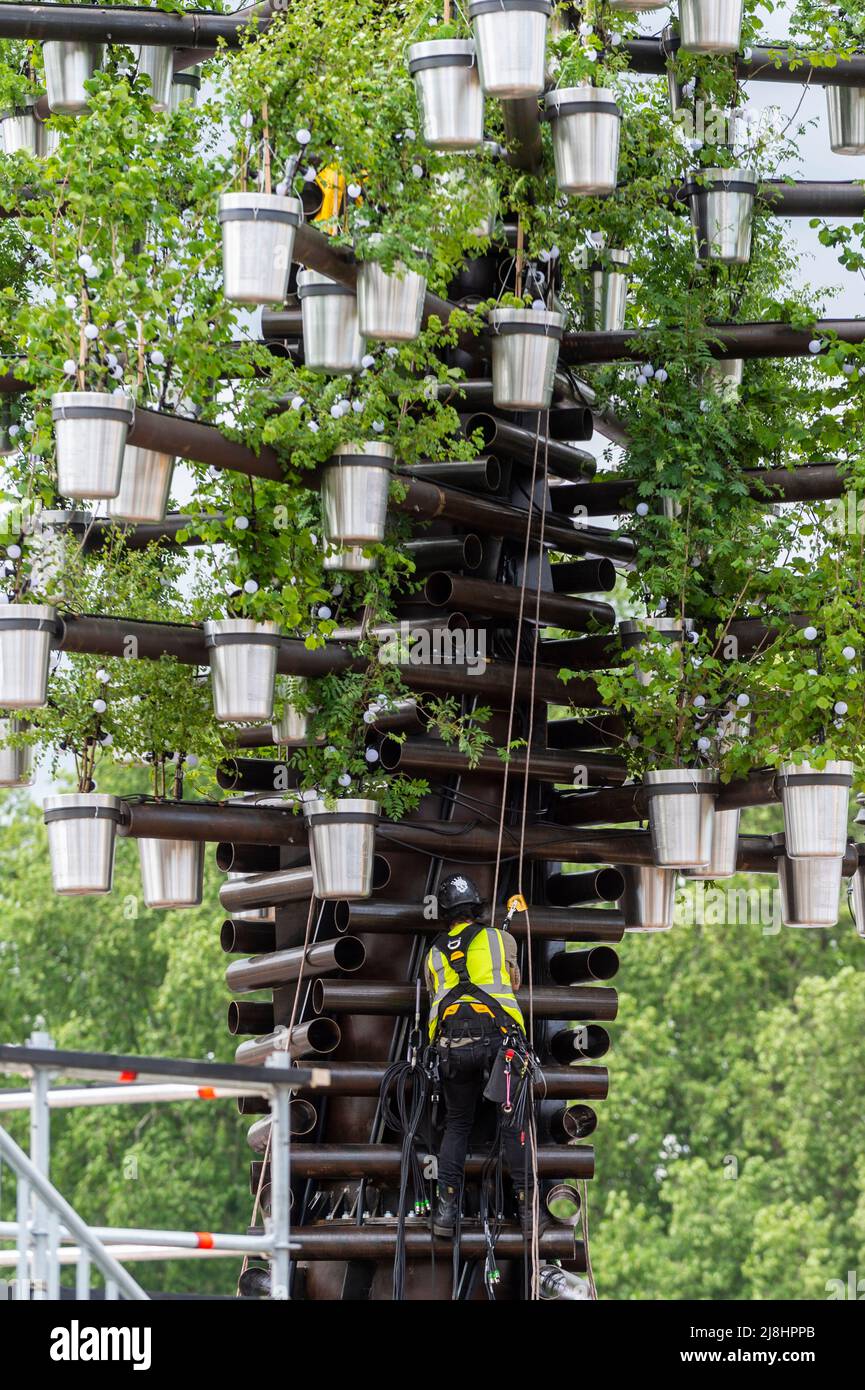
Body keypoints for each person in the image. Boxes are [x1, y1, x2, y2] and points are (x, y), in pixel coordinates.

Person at [424, 872, 534, 1237]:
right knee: (512, 1124)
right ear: (477, 907)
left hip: (453, 1049)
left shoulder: (434, 954)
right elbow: (514, 983)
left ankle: (445, 1213)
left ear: (445, 913)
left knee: (457, 1124)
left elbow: (434, 996)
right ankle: (528, 1212)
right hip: (500, 1046)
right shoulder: (501, 939)